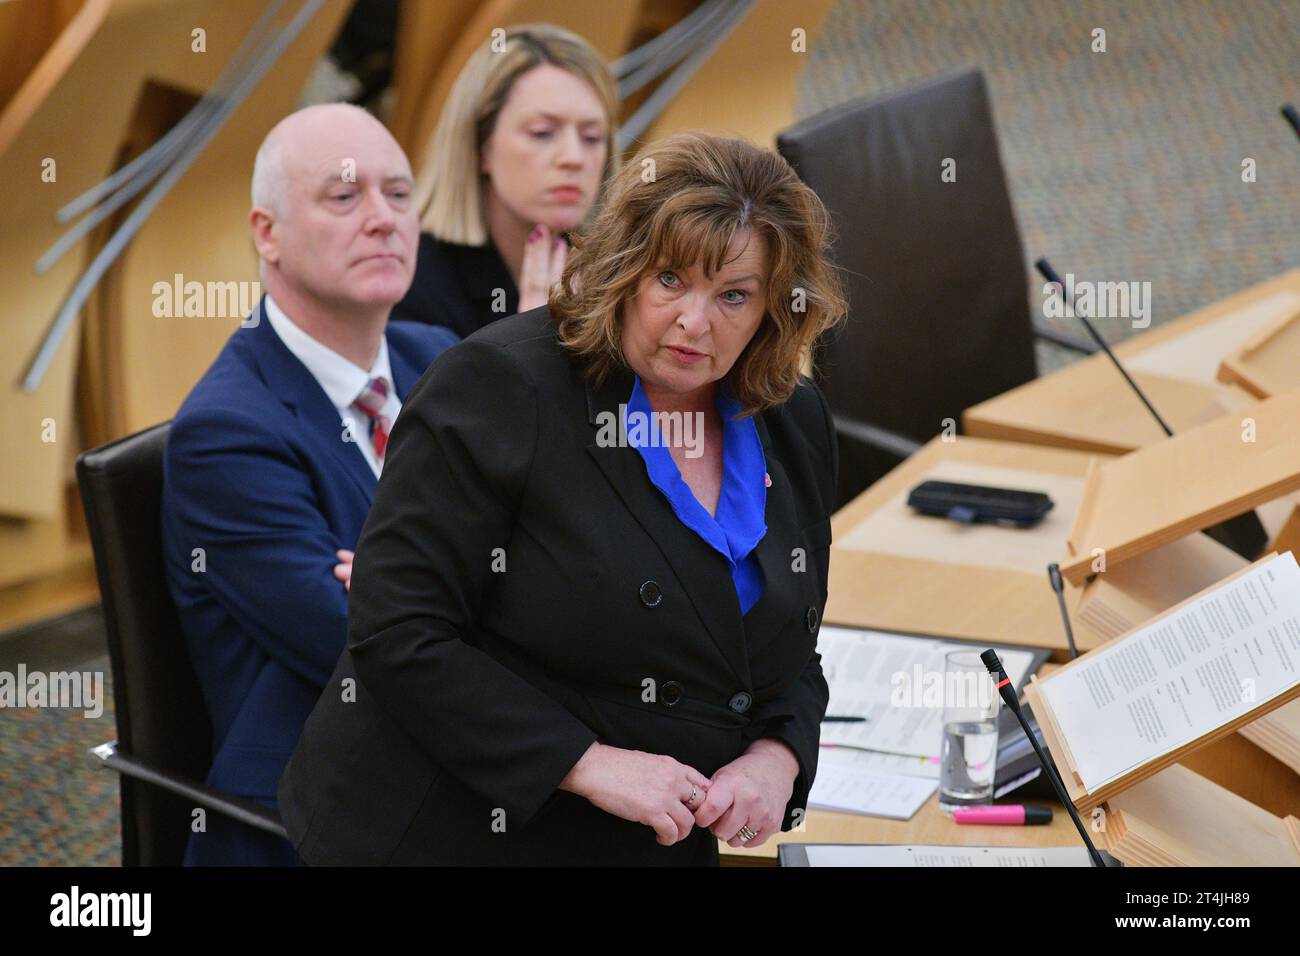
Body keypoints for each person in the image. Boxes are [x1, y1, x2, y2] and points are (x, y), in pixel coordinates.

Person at [279, 131, 848, 865]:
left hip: (658, 838)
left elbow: (783, 642)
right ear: (623, 268)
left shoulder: (790, 417)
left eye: (733, 295)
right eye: (671, 280)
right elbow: (399, 633)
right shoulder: (499, 390)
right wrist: (586, 762)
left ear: (776, 309)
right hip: (461, 832)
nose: (694, 322)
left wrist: (780, 752)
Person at [160, 103, 458, 866]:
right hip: (327, 818)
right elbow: (369, 649)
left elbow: (556, 538)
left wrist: (417, 583)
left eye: (399, 194)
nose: (384, 219)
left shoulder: (438, 359)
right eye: (344, 196)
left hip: (455, 766)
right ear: (268, 233)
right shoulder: (228, 432)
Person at [389, 23, 618, 338]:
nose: (574, 157)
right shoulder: (406, 274)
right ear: (481, 144)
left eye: (592, 137)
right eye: (542, 133)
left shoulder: (616, 276)